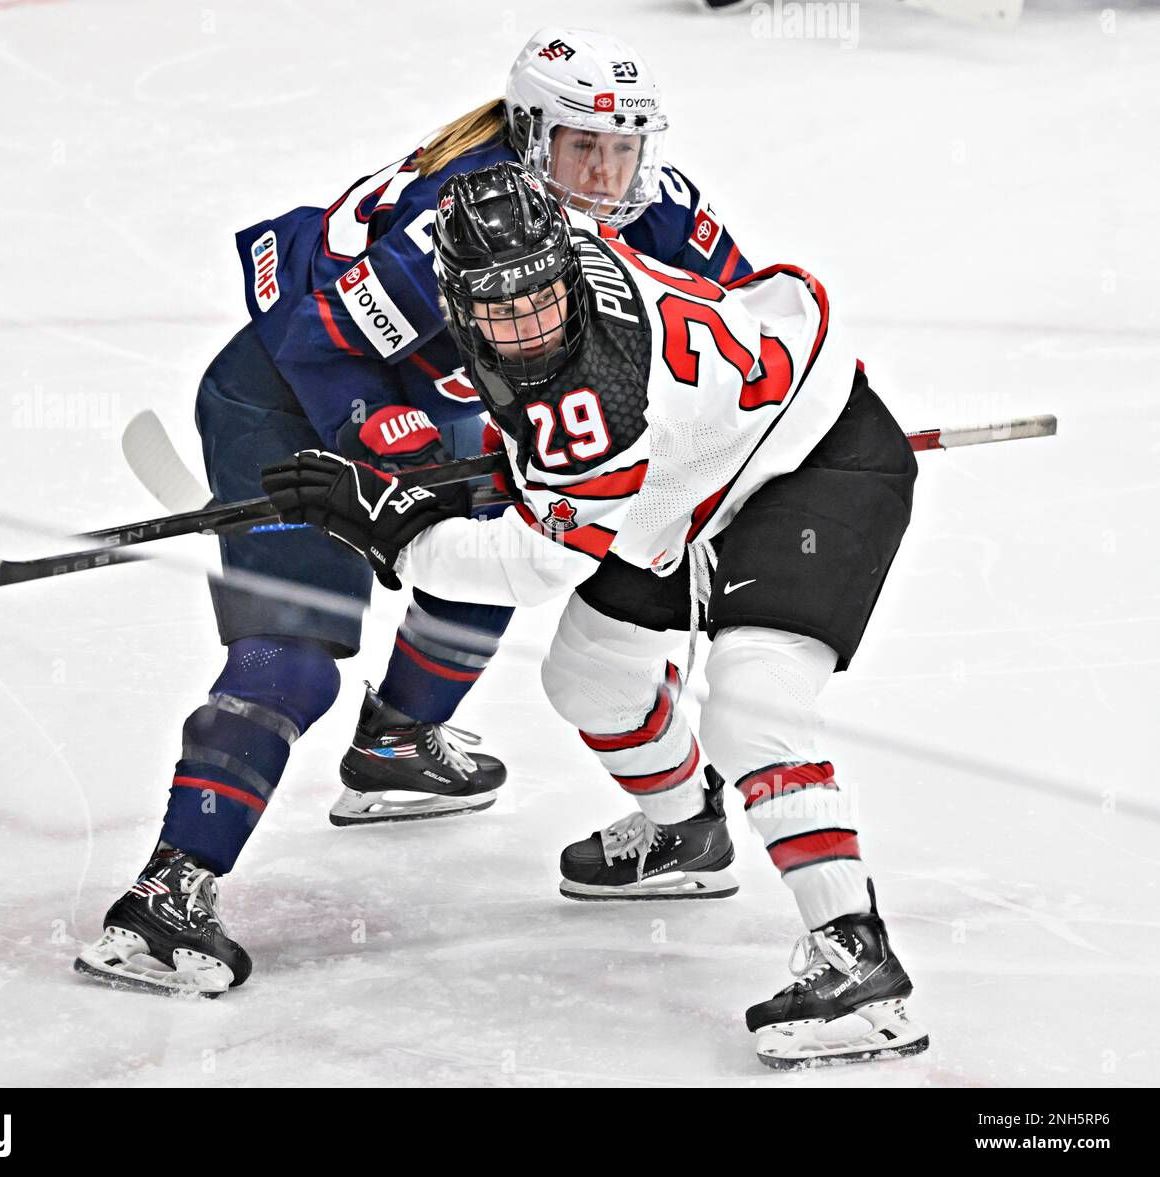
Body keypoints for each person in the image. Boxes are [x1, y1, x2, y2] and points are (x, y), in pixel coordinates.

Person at [74, 28, 750, 997]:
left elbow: (746, 315)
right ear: (529, 133)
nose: (606, 175)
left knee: (513, 541)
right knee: (291, 656)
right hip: (280, 396)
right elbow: (320, 341)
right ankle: (162, 902)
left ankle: (395, 741)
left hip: (435, 394)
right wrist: (400, 459)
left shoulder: (658, 200)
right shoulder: (455, 223)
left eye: (623, 146)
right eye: (580, 148)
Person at [261, 162, 927, 1068]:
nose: (530, 325)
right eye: (502, 309)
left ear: (566, 272)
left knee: (752, 704)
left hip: (813, 463)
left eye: (541, 299)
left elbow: (533, 564)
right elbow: (556, 466)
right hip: (686, 474)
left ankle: (860, 963)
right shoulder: (557, 258)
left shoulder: (592, 398)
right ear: (460, 299)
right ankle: (686, 831)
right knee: (589, 675)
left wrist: (397, 533)